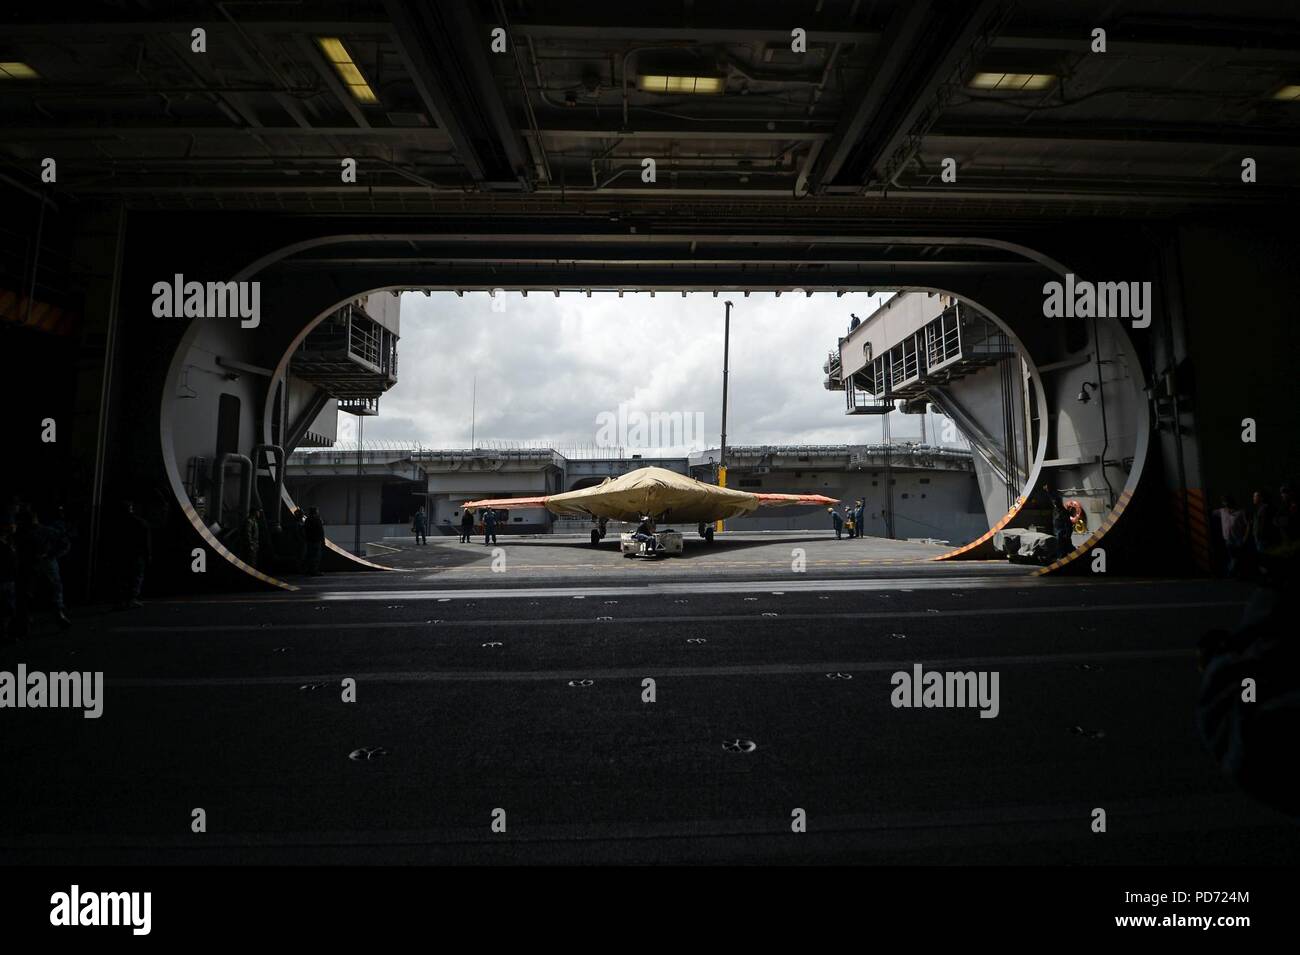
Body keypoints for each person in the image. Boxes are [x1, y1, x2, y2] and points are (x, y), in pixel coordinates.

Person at [14, 508, 71, 633]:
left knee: (28, 590)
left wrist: (51, 554)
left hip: (33, 563)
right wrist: (52, 554)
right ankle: (57, 614)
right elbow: (65, 543)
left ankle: (27, 618)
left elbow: (64, 543)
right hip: (44, 563)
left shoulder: (23, 533)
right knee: (53, 588)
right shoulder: (45, 531)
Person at [115, 500, 152, 610]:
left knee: (124, 575)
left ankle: (122, 599)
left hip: (124, 552)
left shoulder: (119, 524)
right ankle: (132, 598)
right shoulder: (141, 523)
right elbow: (145, 541)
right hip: (137, 552)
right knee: (136, 576)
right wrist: (148, 554)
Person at [1212, 495, 1249, 577]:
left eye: (1227, 501)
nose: (1226, 503)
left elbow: (1247, 525)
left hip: (1238, 539)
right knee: (1234, 557)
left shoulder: (1240, 512)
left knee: (1237, 558)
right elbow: (1212, 512)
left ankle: (1233, 572)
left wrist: (1244, 538)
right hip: (1228, 539)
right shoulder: (1222, 511)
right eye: (1224, 502)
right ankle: (1234, 573)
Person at [1042, 483, 1074, 559]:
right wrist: (1048, 491)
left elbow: (1068, 524)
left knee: (1065, 547)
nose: (1054, 504)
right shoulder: (1056, 510)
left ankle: (1063, 557)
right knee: (1064, 548)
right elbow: (1053, 499)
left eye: (1056, 503)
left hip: (1062, 533)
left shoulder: (1063, 512)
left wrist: (1067, 534)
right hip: (1058, 532)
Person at [0, 515, 16, 642]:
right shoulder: (6, 544)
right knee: (7, 607)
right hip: (5, 579)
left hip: (8, 578)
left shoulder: (8, 542)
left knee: (8, 608)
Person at [303, 507, 325, 575]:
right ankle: (314, 571)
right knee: (316, 556)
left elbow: (305, 530)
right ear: (316, 512)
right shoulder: (318, 520)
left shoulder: (307, 520)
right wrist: (322, 540)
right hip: (316, 541)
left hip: (309, 541)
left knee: (309, 556)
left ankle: (308, 570)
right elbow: (321, 531)